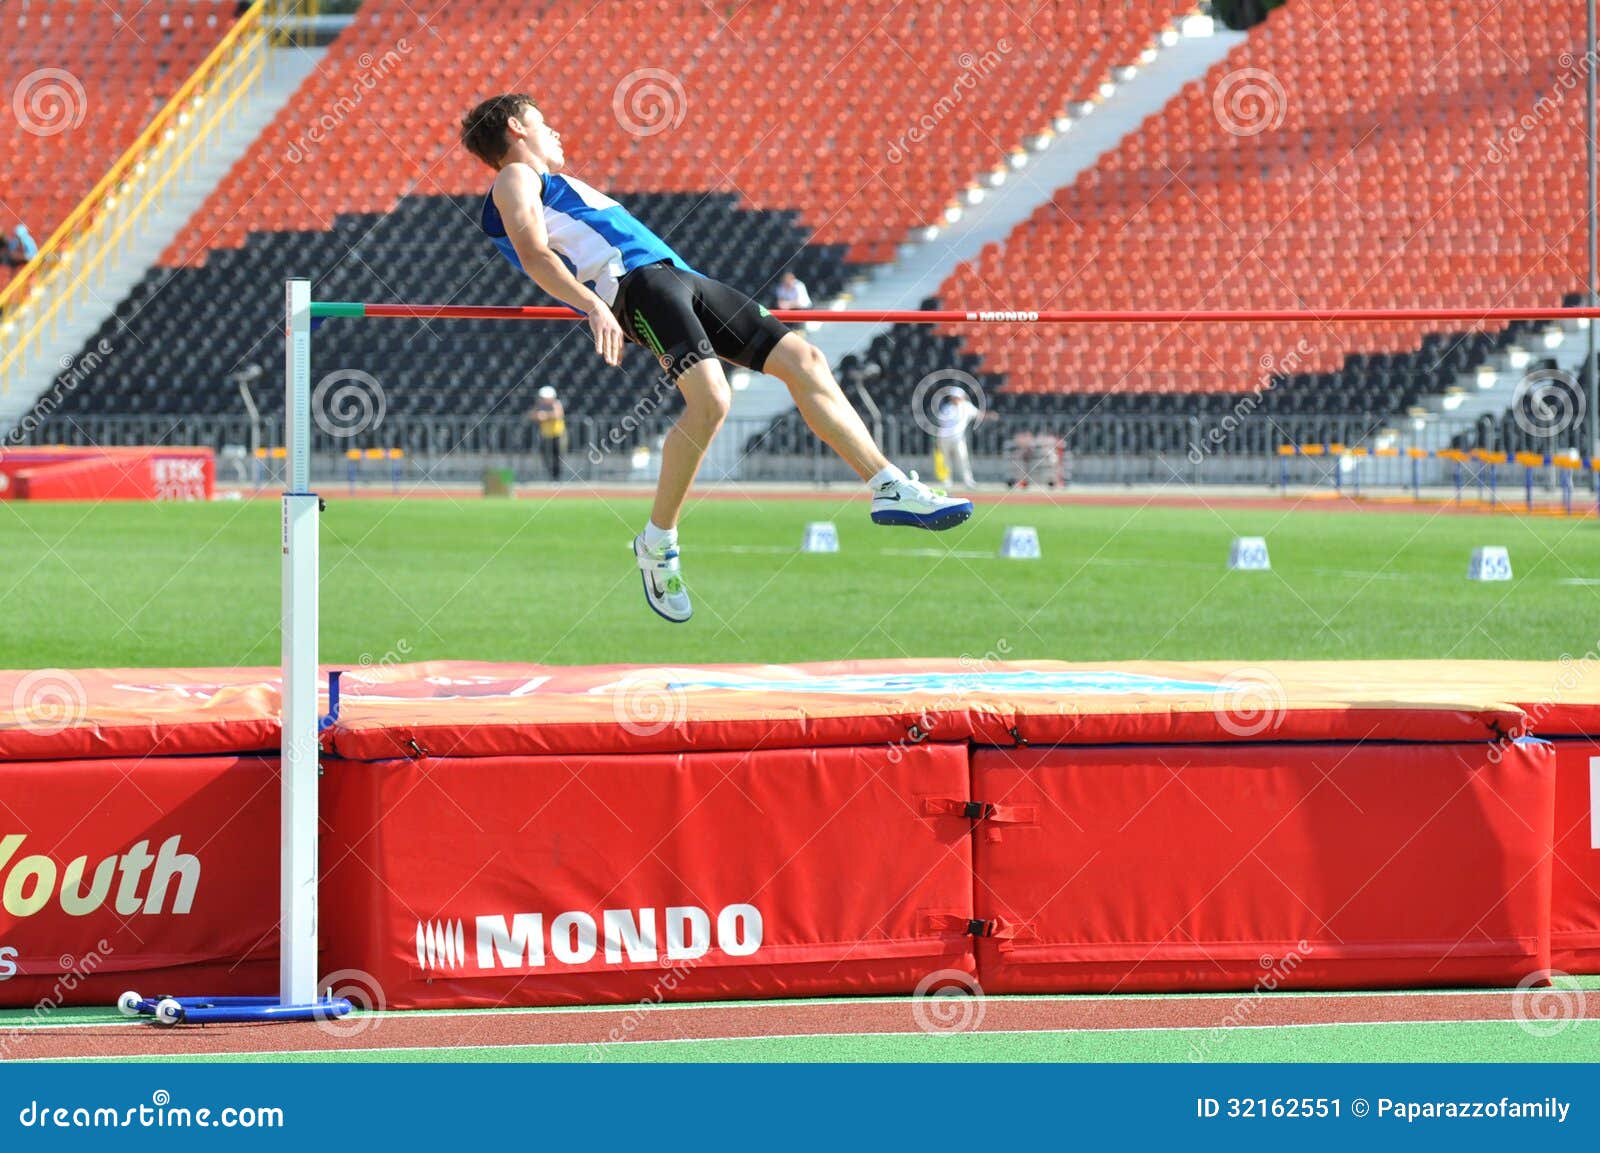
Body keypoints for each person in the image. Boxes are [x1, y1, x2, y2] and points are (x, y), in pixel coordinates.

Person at [460, 93, 971, 623]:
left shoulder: (553, 184)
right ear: (517, 129)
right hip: (636, 287)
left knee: (806, 359)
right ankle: (657, 543)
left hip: (679, 277)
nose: (558, 133)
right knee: (710, 400)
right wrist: (591, 305)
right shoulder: (515, 178)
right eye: (546, 123)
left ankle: (889, 486)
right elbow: (534, 253)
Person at [934, 389, 980, 487]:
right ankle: (947, 480)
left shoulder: (967, 406)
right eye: (954, 397)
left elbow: (978, 414)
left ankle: (968, 481)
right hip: (944, 438)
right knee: (946, 460)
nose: (956, 399)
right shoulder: (947, 408)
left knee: (963, 459)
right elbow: (941, 423)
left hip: (958, 439)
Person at [530, 385, 565, 481]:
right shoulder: (539, 405)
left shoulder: (556, 404)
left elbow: (558, 414)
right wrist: (539, 415)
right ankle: (551, 475)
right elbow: (532, 415)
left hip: (558, 434)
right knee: (545, 456)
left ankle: (556, 477)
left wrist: (545, 415)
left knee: (557, 457)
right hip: (545, 435)